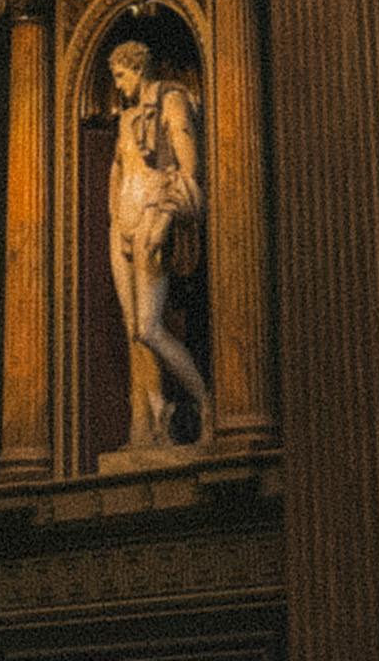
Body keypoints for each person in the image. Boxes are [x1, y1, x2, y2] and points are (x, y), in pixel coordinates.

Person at [106, 36, 211, 453]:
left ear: (138, 69)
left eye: (119, 75)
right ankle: (153, 427)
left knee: (150, 329)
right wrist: (116, 222)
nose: (116, 85)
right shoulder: (126, 116)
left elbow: (190, 172)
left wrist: (164, 218)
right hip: (121, 228)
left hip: (152, 217)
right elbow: (119, 174)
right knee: (135, 333)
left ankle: (207, 405)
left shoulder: (172, 100)